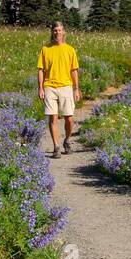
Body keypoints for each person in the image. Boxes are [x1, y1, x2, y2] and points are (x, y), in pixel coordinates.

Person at [37, 21, 81, 158]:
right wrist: (40, 88)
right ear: (52, 32)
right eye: (55, 30)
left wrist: (76, 89)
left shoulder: (70, 50)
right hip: (49, 87)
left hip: (66, 86)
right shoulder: (45, 49)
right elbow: (40, 70)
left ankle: (67, 141)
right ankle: (56, 147)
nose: (57, 33)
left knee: (69, 118)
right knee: (53, 118)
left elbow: (74, 71)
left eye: (60, 30)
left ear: (64, 32)